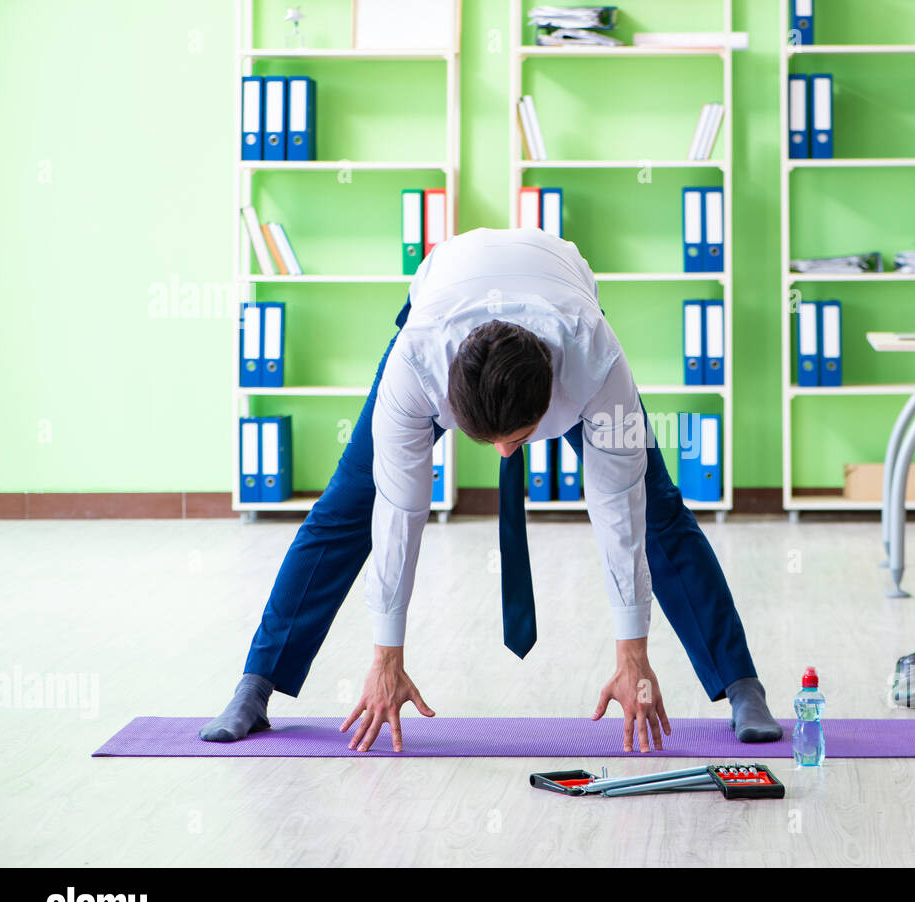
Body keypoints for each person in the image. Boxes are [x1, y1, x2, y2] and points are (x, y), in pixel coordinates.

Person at [200, 227, 781, 752]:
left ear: (554, 398)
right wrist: (386, 657)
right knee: (347, 507)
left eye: (519, 439)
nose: (507, 453)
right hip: (444, 294)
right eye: (489, 442)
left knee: (657, 511)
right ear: (451, 404)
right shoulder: (416, 369)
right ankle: (256, 684)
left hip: (562, 291)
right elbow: (399, 511)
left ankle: (742, 685)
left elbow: (618, 511)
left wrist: (634, 655)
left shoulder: (595, 367)